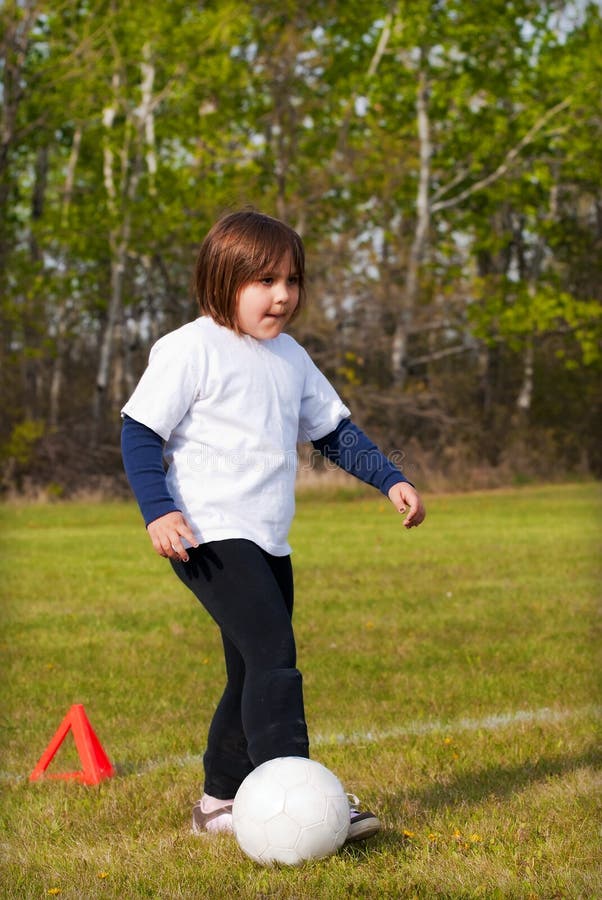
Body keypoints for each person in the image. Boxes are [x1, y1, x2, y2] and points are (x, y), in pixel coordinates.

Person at [121, 209, 426, 841]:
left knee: (250, 669)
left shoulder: (291, 358)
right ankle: (301, 792)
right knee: (273, 656)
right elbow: (140, 431)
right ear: (221, 278)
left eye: (291, 280)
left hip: (267, 539)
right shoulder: (189, 348)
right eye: (264, 280)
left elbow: (335, 432)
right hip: (204, 535)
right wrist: (159, 510)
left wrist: (390, 477)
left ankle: (216, 803)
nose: (282, 294)